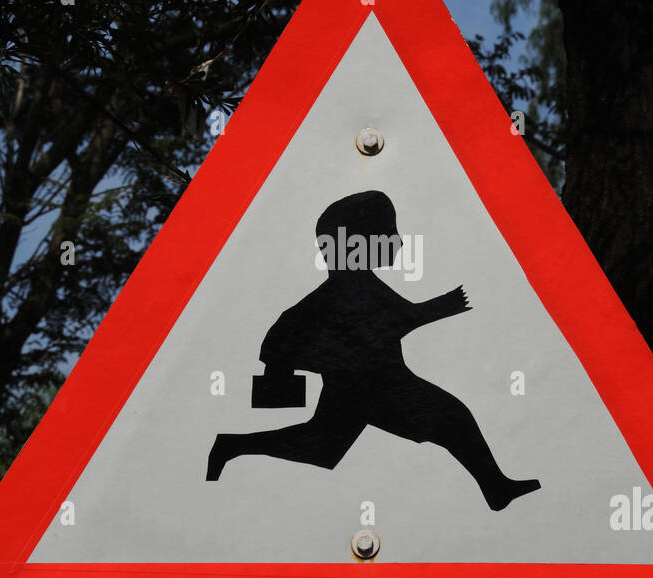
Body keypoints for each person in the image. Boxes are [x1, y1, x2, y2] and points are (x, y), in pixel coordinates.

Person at [207, 190, 541, 511]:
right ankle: (495, 487)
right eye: (387, 233)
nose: (397, 242)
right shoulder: (350, 286)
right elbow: (392, 322)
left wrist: (439, 307)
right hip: (376, 388)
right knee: (452, 417)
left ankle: (232, 445)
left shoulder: (358, 283)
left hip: (363, 387)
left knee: (320, 447)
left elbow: (391, 319)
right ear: (359, 243)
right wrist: (444, 305)